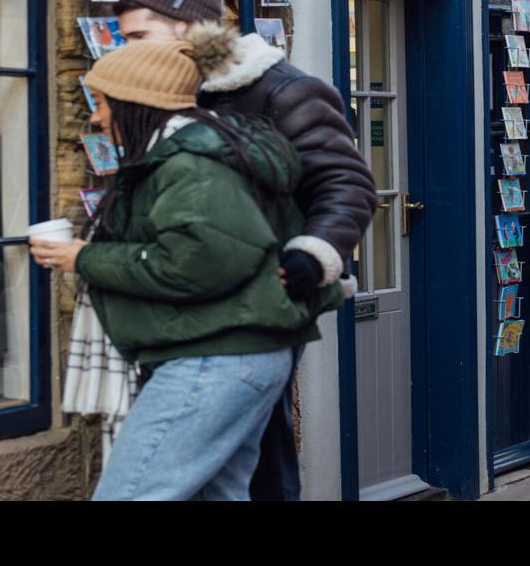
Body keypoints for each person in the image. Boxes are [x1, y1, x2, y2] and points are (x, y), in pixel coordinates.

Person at [28, 40, 338, 500]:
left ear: (135, 104)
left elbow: (196, 264)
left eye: (105, 103)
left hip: (213, 359)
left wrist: (83, 258)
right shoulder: (192, 152)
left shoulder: (190, 163)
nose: (97, 117)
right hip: (235, 354)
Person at [116, 0, 376, 500]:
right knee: (213, 466)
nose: (127, 50)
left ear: (187, 28)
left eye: (138, 37)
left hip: (260, 301)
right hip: (184, 303)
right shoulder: (161, 91)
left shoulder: (281, 89)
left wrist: (311, 254)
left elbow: (346, 183)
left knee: (254, 458)